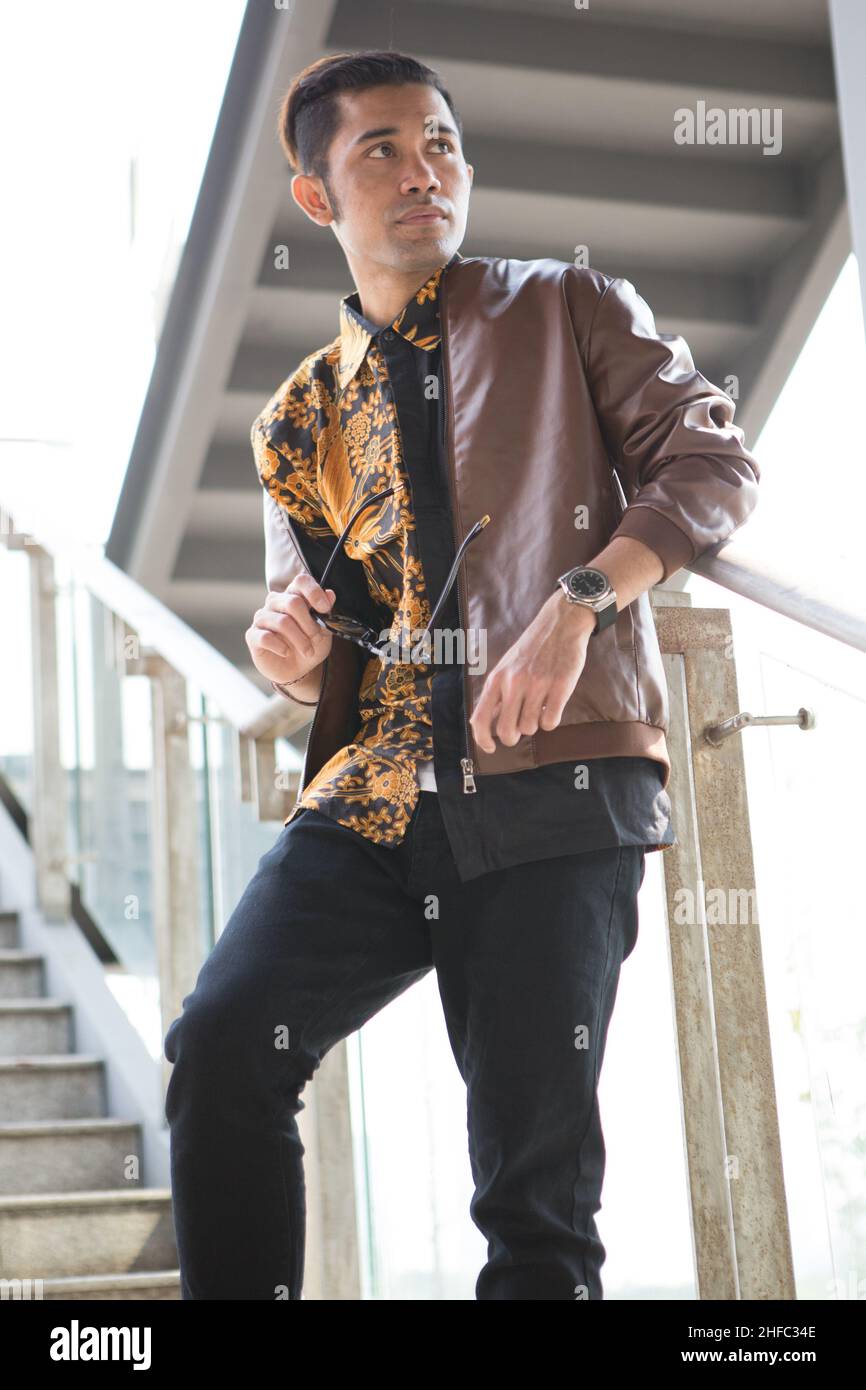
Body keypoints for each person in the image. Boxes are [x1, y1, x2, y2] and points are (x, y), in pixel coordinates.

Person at [163, 49, 760, 1300]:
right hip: (373, 802)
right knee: (222, 1045)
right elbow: (323, 632)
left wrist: (581, 601)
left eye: (438, 143)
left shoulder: (566, 304)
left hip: (552, 786)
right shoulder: (295, 418)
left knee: (530, 1201)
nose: (421, 171)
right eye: (379, 149)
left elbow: (709, 463)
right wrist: (295, 661)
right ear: (317, 195)